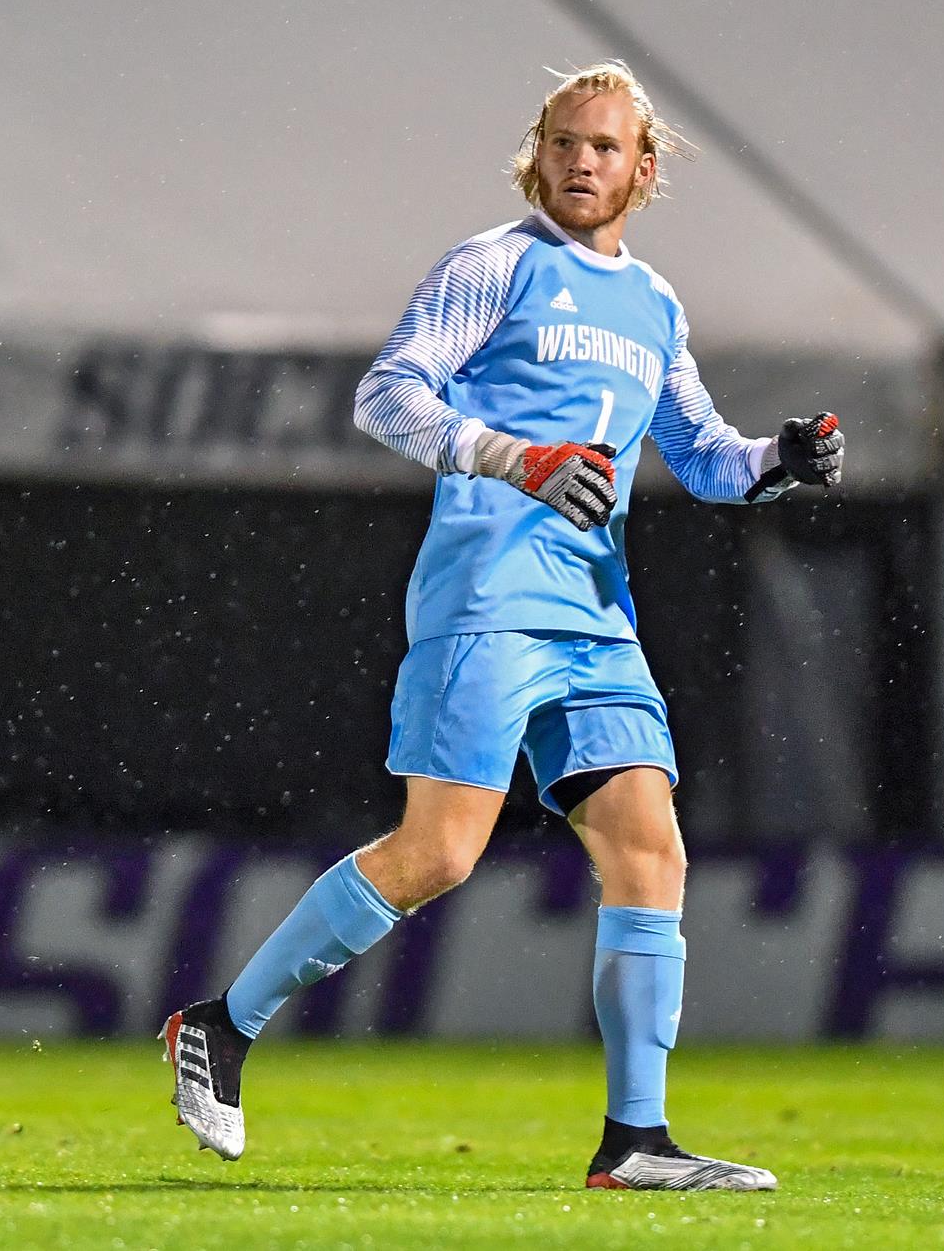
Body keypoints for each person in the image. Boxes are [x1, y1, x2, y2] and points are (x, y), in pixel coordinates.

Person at [162, 61, 845, 1192]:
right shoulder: (493, 267)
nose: (583, 162)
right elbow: (384, 395)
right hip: (485, 595)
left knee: (649, 849)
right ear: (536, 153)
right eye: (565, 142)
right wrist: (511, 457)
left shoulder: (653, 304)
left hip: (593, 612)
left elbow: (701, 456)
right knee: (438, 853)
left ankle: (635, 1140)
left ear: (644, 168)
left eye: (606, 147)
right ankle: (221, 1026)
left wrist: (780, 460)